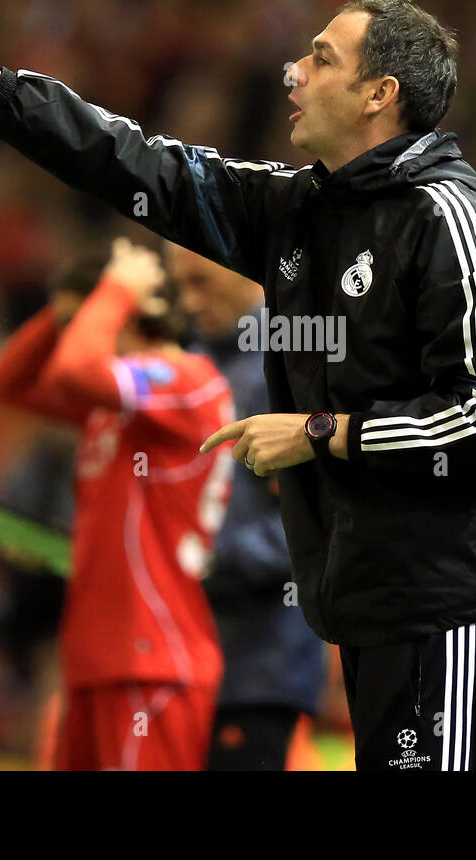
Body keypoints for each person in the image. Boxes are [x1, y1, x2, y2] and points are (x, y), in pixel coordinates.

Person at [0, 0, 476, 770]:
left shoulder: (451, 221)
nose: (294, 74)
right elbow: (137, 162)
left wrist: (322, 433)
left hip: (452, 605)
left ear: (381, 95)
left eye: (321, 58)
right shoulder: (302, 206)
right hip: (372, 604)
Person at [0, 239, 233, 770]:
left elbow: (76, 371)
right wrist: (67, 309)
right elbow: (4, 384)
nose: (77, 333)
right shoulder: (111, 410)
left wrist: (114, 291)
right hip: (95, 661)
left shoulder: (187, 383)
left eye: (91, 318)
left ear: (129, 310)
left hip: (152, 658)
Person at [167, 244, 327, 769]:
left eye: (202, 282)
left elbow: (317, 514)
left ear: (242, 266)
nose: (189, 302)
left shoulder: (294, 361)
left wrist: (213, 561)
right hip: (180, 657)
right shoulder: (183, 365)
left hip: (260, 668)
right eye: (179, 286)